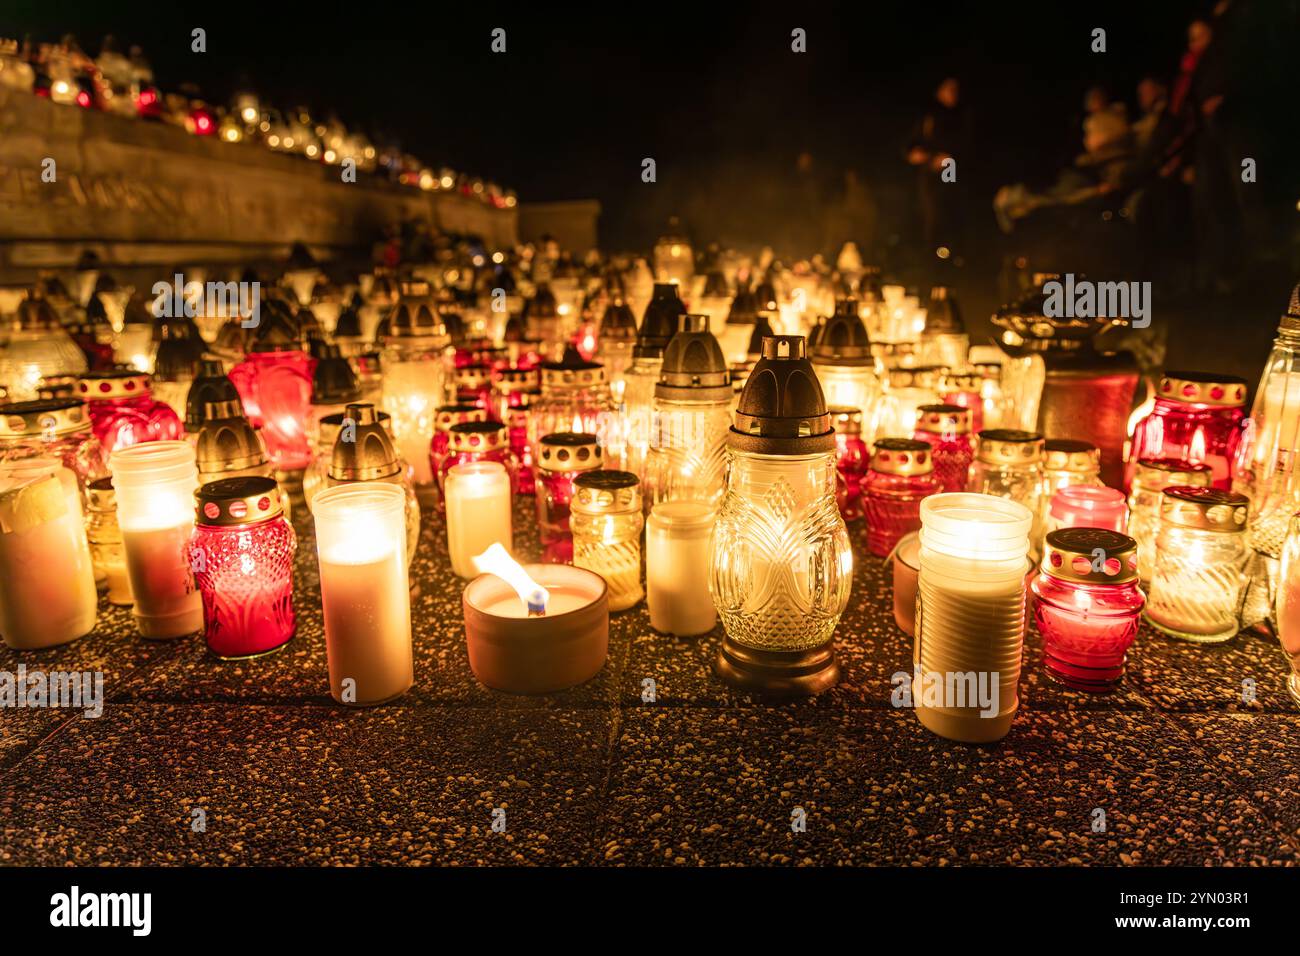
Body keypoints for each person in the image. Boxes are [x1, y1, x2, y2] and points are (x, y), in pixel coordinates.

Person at [906, 77, 971, 261]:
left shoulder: (962, 116)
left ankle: (952, 256)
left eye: (955, 89)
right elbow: (911, 144)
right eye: (948, 89)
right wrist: (916, 154)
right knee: (932, 213)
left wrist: (949, 158)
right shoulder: (928, 117)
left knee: (948, 208)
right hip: (929, 172)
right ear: (938, 91)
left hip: (951, 170)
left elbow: (967, 145)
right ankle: (932, 256)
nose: (953, 93)